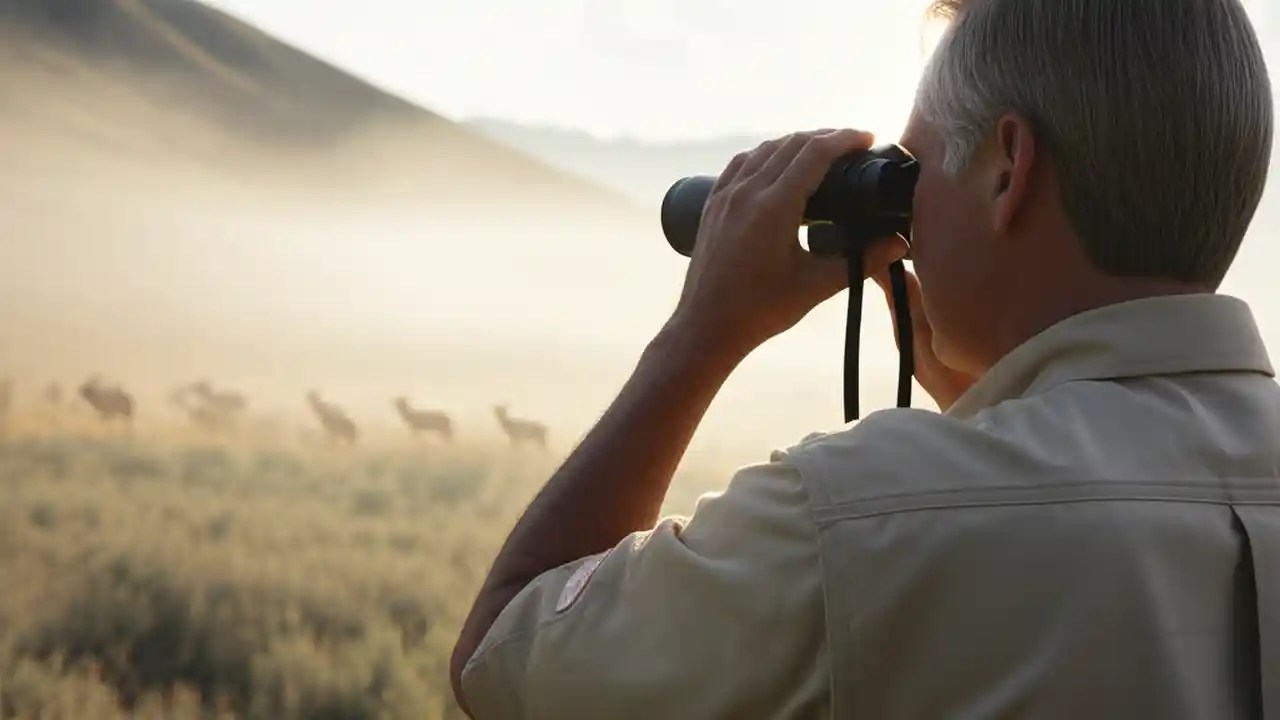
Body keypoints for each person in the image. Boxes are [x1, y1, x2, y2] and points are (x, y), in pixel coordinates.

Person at [451, 0, 1278, 716]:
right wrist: (999, 408)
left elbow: (504, 661)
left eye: (909, 171)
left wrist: (700, 335)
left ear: (1007, 169)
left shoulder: (859, 517)